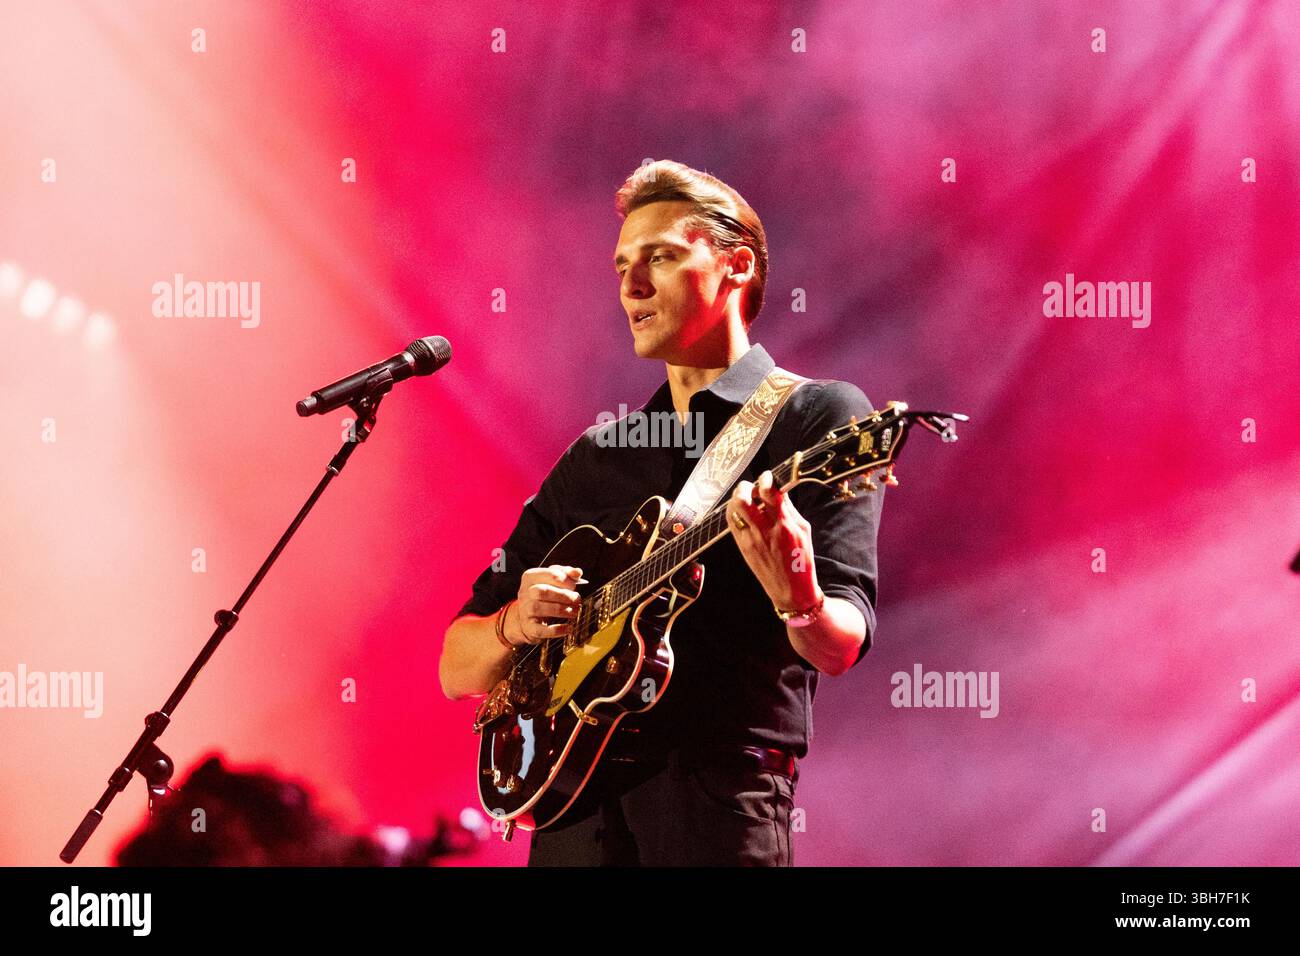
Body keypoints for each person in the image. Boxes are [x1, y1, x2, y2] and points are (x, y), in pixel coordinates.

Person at [439, 159, 883, 866]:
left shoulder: (819, 416)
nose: (631, 286)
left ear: (736, 266)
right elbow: (455, 666)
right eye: (622, 267)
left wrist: (797, 594)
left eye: (661, 258)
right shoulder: (597, 455)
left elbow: (841, 644)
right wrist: (516, 623)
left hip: (715, 806)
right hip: (572, 816)